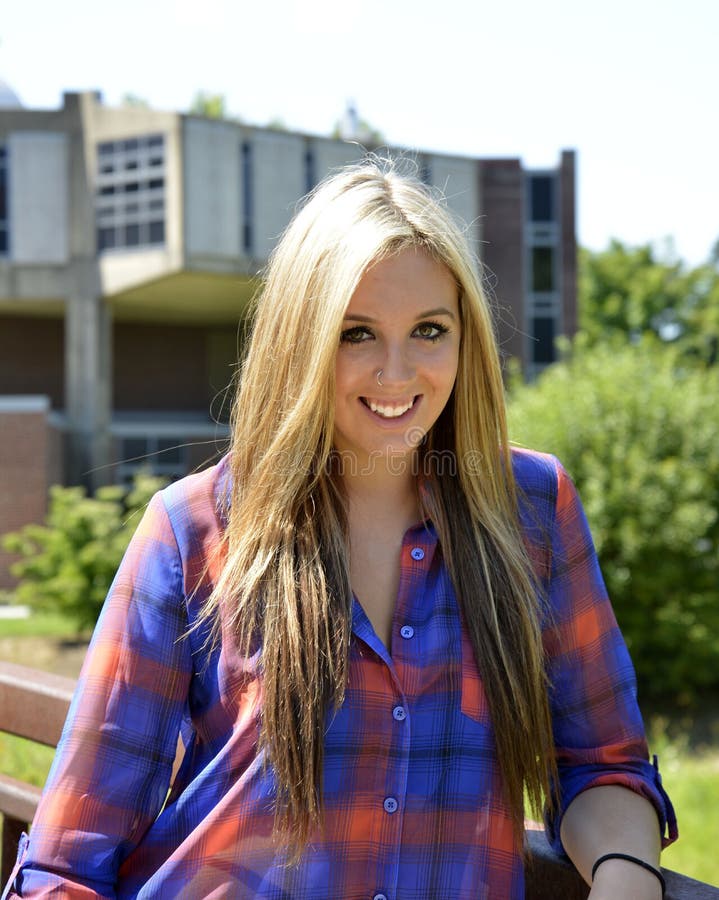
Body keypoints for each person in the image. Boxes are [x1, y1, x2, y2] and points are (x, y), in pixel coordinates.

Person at [3, 159, 676, 899]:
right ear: (301, 338)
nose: (396, 373)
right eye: (356, 333)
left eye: (428, 330)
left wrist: (625, 879)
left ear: (465, 341)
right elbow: (69, 859)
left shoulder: (531, 509)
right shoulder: (190, 530)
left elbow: (603, 761)